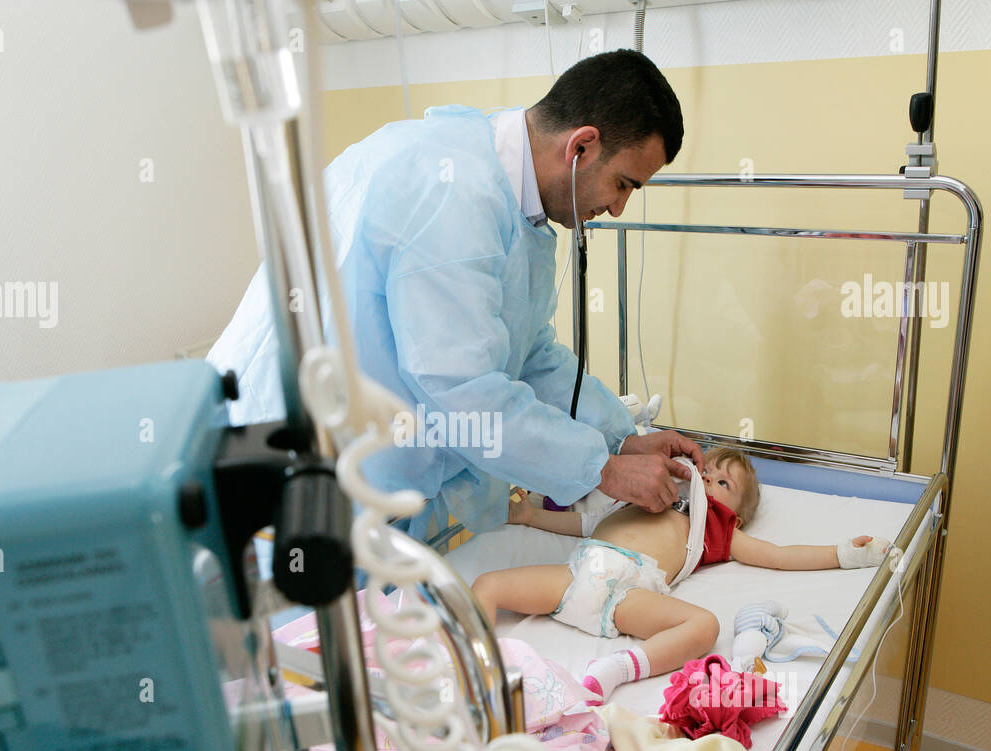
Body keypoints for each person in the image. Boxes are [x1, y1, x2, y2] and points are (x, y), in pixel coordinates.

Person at [208, 50, 702, 542]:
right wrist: (602, 469)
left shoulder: (512, 200)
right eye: (623, 184)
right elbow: (463, 389)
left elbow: (526, 354)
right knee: (311, 615)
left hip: (361, 462)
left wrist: (620, 439)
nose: (618, 209)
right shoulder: (455, 192)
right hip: (291, 462)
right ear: (580, 148)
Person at [471, 448, 892, 700]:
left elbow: (780, 555)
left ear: (736, 516)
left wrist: (844, 554)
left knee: (704, 625)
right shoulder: (642, 495)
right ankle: (479, 674)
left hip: (628, 594)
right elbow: (581, 525)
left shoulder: (716, 528)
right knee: (486, 585)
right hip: (576, 574)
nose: (707, 480)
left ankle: (620, 668)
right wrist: (530, 515)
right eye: (708, 472)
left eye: (723, 484)